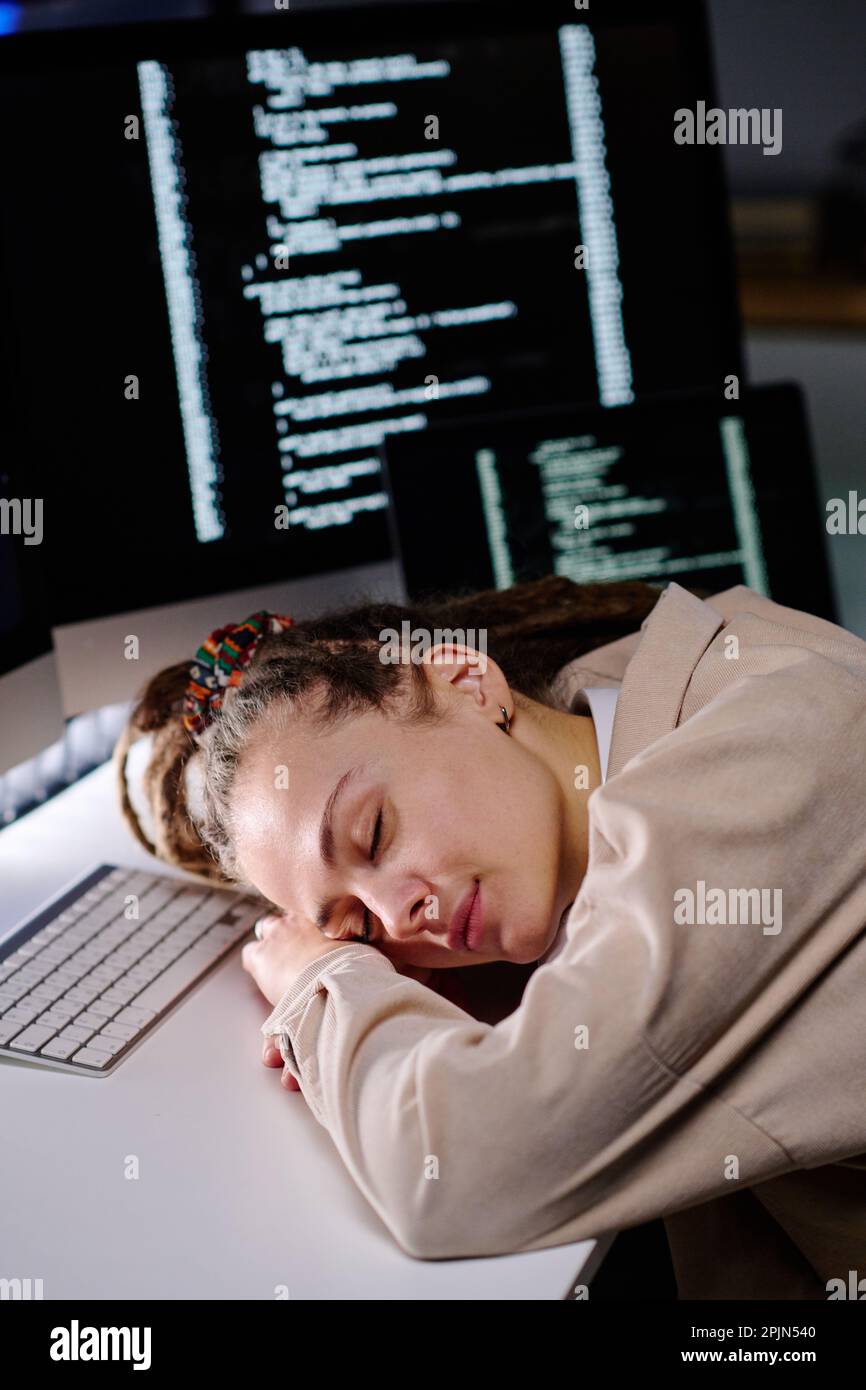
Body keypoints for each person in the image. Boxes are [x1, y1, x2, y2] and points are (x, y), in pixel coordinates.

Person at [113, 575, 866, 1299]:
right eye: (361, 926)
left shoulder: (770, 747)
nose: (399, 917)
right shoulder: (604, 720)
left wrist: (324, 979)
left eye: (375, 833)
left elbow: (455, 1171)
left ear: (470, 685)